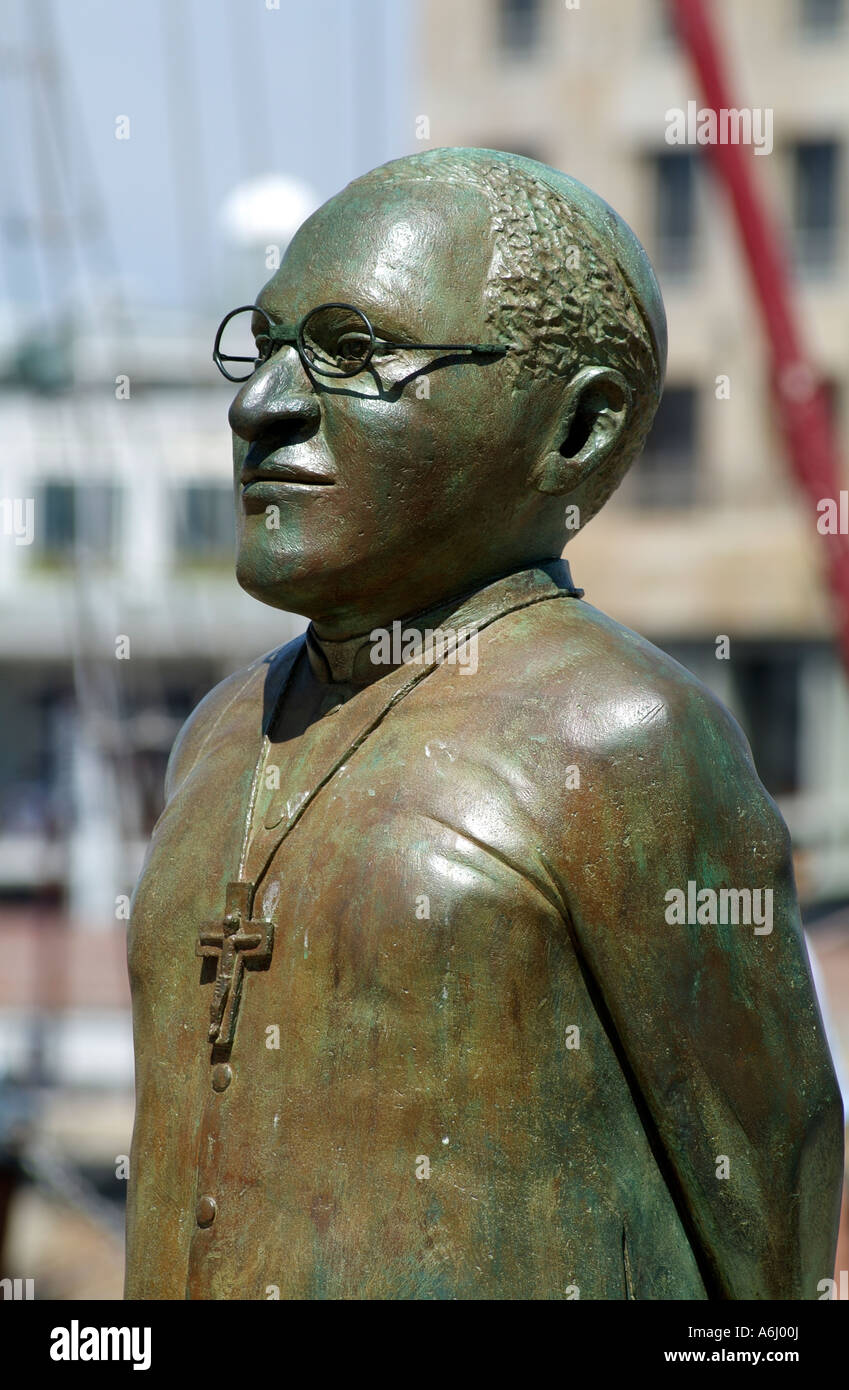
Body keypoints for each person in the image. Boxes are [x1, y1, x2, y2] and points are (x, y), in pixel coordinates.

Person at [125, 148, 842, 1300]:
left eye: (351, 350)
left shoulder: (625, 740)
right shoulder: (220, 733)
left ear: (577, 433)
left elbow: (773, 1234)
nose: (260, 404)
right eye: (261, 344)